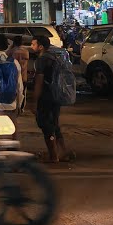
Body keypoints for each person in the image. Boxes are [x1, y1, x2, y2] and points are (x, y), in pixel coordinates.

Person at [30, 34, 74, 163]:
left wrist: (34, 101)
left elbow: (39, 81)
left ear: (41, 46)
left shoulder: (41, 60)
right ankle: (63, 152)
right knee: (55, 124)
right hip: (56, 95)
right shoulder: (54, 57)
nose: (31, 47)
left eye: (33, 44)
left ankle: (53, 156)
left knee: (46, 126)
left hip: (46, 96)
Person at [6, 35, 31, 112]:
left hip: (13, 75)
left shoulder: (11, 51)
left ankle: (14, 106)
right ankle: (21, 108)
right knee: (23, 93)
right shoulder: (25, 51)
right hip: (23, 75)